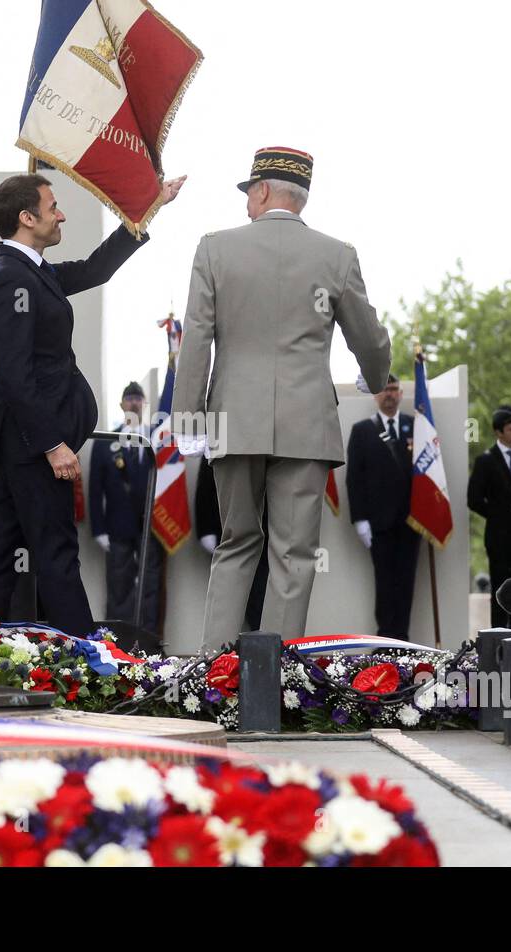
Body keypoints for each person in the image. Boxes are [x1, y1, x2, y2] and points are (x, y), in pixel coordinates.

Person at [171, 147, 391, 651]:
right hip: (306, 423)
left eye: (248, 193)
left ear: (264, 189)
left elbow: (197, 340)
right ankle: (271, 685)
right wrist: (375, 378)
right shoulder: (337, 254)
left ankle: (213, 674)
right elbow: (370, 337)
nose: (246, 204)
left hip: (233, 421)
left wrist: (187, 421)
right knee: (293, 555)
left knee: (236, 545)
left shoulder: (214, 248)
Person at [0, 172, 185, 636]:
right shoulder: (10, 277)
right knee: (56, 551)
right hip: (32, 444)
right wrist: (52, 444)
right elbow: (12, 374)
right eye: (52, 207)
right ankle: (86, 658)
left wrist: (148, 209)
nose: (61, 213)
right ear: (27, 218)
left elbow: (95, 270)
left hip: (26, 443)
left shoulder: (33, 271)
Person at [346, 373, 420, 638]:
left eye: (394, 389)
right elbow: (354, 478)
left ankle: (404, 642)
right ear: (376, 395)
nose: (389, 394)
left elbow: (426, 474)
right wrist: (360, 519)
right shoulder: (363, 431)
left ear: (401, 394)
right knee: (385, 584)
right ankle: (386, 640)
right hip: (379, 523)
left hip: (412, 522)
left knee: (406, 585)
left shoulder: (417, 427)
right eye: (384, 389)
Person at [89, 382, 162, 632]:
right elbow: (95, 489)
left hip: (152, 525)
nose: (133, 403)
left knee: (150, 585)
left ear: (144, 404)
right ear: (121, 405)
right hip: (118, 526)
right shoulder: (106, 442)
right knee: (119, 585)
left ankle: (149, 641)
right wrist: (98, 530)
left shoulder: (157, 439)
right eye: (129, 398)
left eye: (138, 399)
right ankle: (117, 641)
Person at [466, 405, 511, 630]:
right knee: (500, 588)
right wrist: (498, 515)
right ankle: (498, 636)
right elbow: (474, 499)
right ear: (499, 432)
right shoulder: (486, 461)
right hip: (498, 536)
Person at [194, 456, 267, 632]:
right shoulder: (223, 433)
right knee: (233, 594)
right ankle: (221, 652)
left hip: (271, 530)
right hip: (230, 529)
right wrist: (205, 529)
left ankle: (266, 645)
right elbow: (207, 480)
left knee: (262, 595)